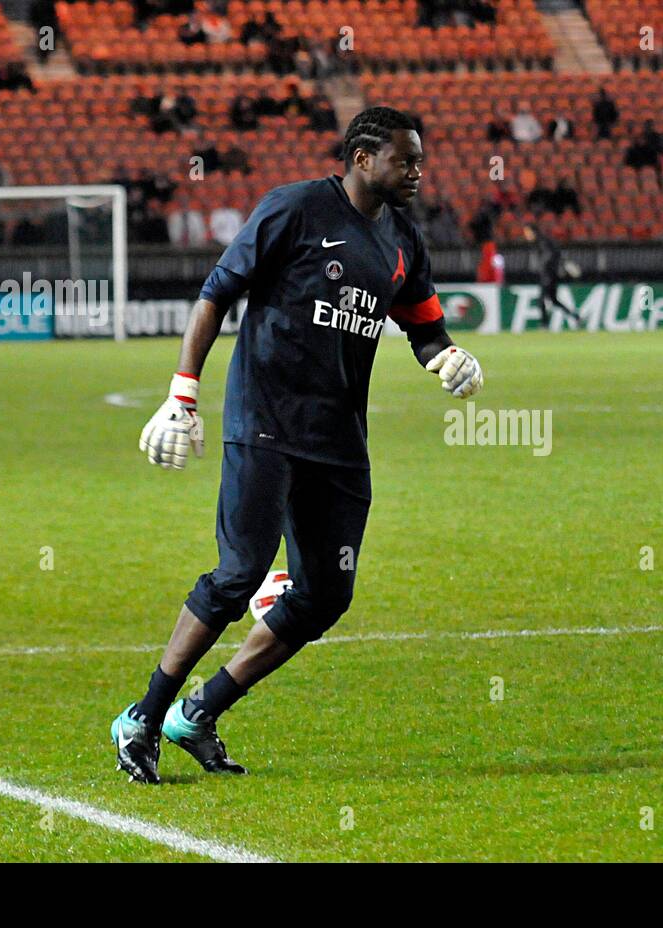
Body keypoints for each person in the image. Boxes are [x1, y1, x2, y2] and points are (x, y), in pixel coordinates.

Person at [110, 107, 484, 784]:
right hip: (264, 420)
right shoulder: (295, 210)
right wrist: (181, 393)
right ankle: (143, 715)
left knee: (324, 594)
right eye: (407, 160)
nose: (418, 172)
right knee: (238, 575)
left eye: (422, 161)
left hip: (338, 439)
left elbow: (424, 327)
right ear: (364, 158)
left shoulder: (402, 239)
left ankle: (198, 713)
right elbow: (216, 294)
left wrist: (448, 357)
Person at [524, 224, 580, 330]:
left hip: (548, 275)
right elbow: (556, 253)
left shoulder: (542, 242)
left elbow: (548, 255)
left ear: (533, 232)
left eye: (527, 232)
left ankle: (544, 324)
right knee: (554, 300)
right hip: (552, 275)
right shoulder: (544, 240)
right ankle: (575, 316)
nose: (526, 235)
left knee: (541, 300)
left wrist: (542, 267)